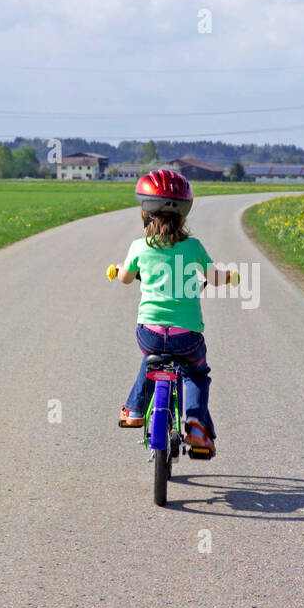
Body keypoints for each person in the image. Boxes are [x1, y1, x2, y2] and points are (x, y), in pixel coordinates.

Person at [109, 169, 235, 459]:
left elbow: (125, 278)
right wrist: (228, 276)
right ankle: (196, 427)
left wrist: (119, 270)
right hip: (187, 336)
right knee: (196, 373)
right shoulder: (193, 247)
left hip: (149, 333)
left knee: (150, 359)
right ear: (183, 217)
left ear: (145, 213)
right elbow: (214, 278)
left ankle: (135, 410)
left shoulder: (139, 246)